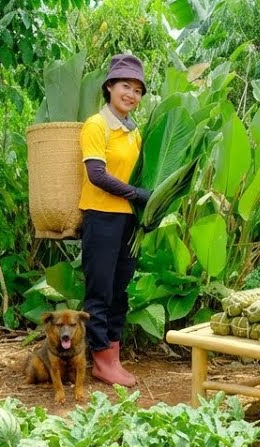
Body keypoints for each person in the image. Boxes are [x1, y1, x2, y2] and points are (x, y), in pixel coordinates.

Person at [78, 53, 149, 388]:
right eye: (125, 86)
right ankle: (101, 358)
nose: (131, 95)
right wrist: (137, 194)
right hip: (101, 216)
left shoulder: (133, 132)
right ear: (109, 87)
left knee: (119, 289)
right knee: (100, 289)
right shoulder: (97, 125)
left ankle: (113, 359)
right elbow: (97, 175)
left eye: (137, 90)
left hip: (128, 221)